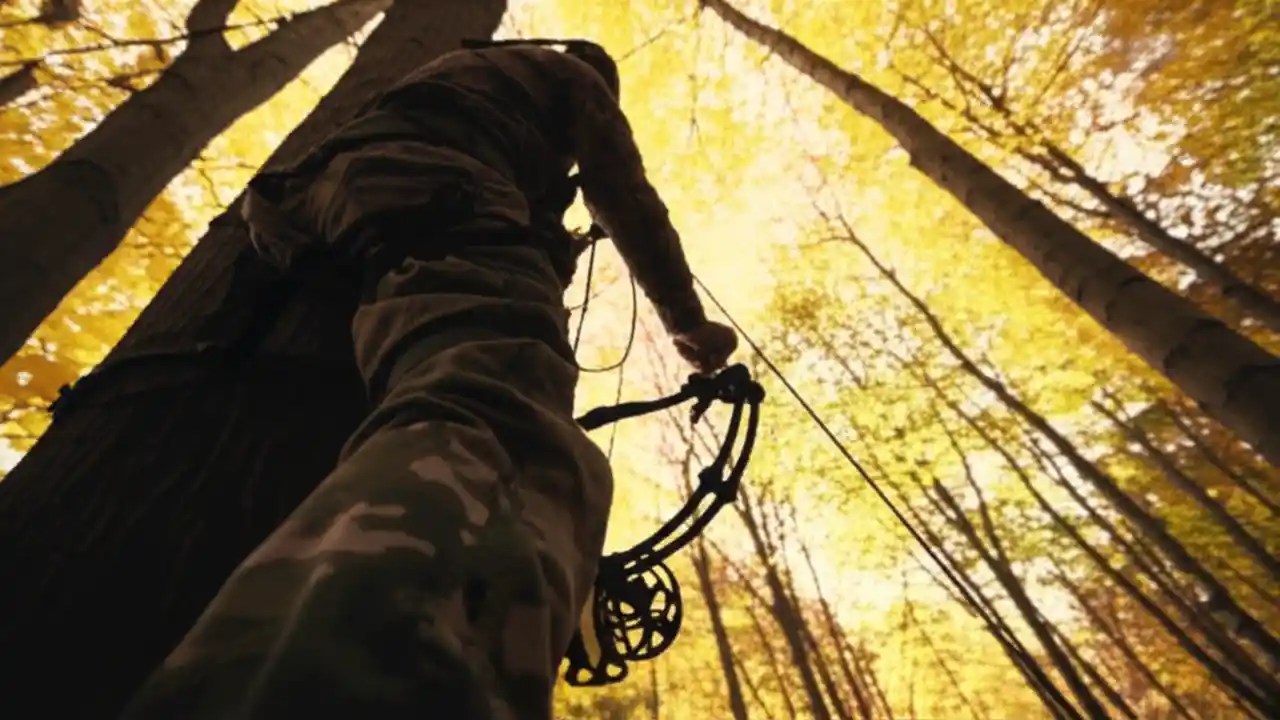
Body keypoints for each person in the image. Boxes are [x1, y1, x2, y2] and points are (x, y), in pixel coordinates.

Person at [119, 39, 737, 720]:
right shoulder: (572, 76)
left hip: (304, 204)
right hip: (435, 184)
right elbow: (624, 194)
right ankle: (404, 651)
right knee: (502, 414)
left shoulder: (466, 72)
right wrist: (686, 321)